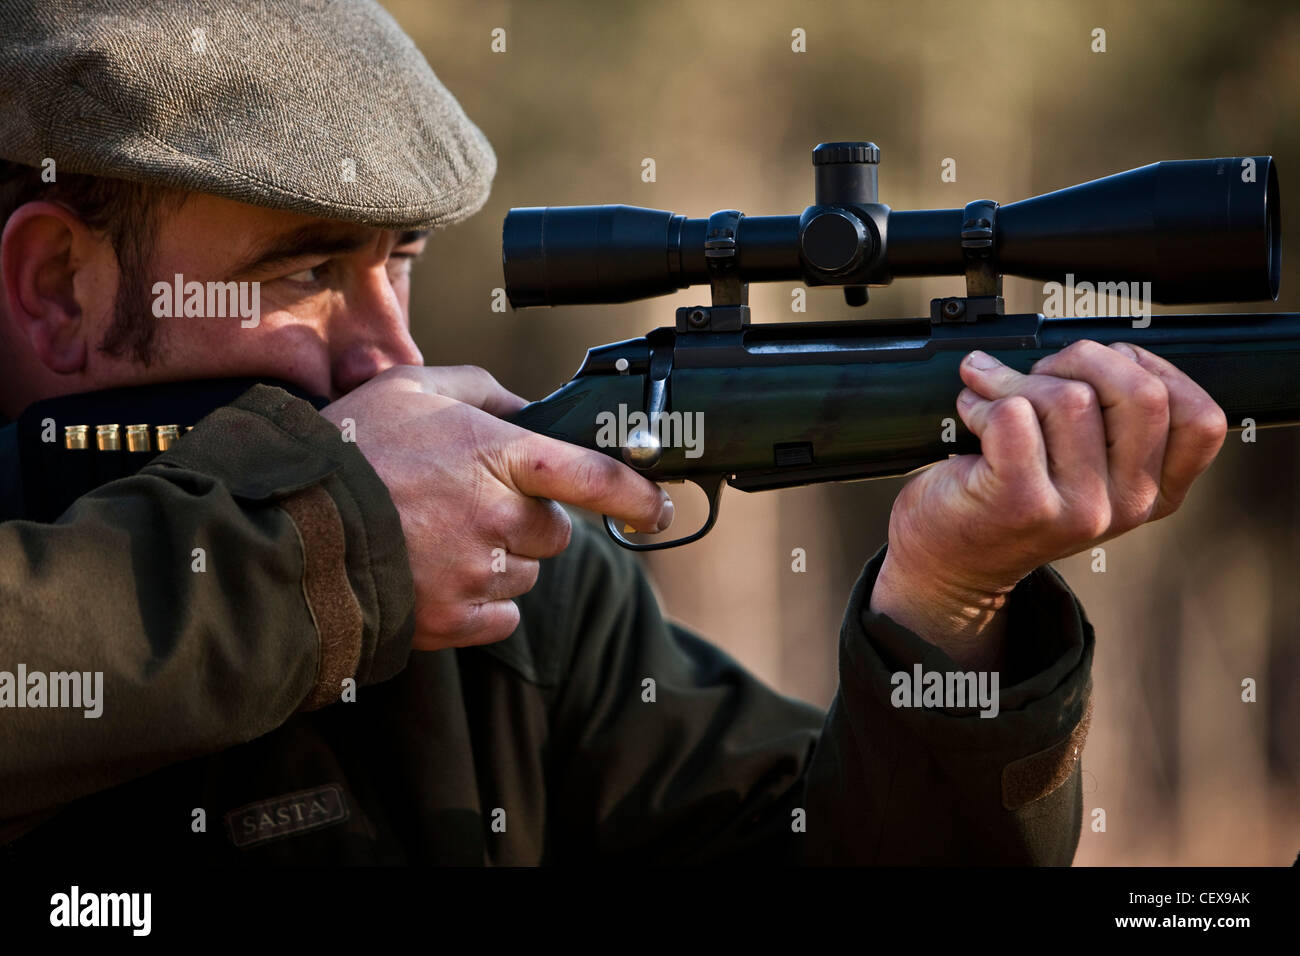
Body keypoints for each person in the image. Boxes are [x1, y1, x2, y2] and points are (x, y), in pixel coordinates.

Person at [0, 0, 1226, 864]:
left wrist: (945, 608)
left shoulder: (502, 588)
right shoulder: (377, 546)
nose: (392, 358)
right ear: (58, 286)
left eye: (401, 264)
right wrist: (331, 547)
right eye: (307, 269)